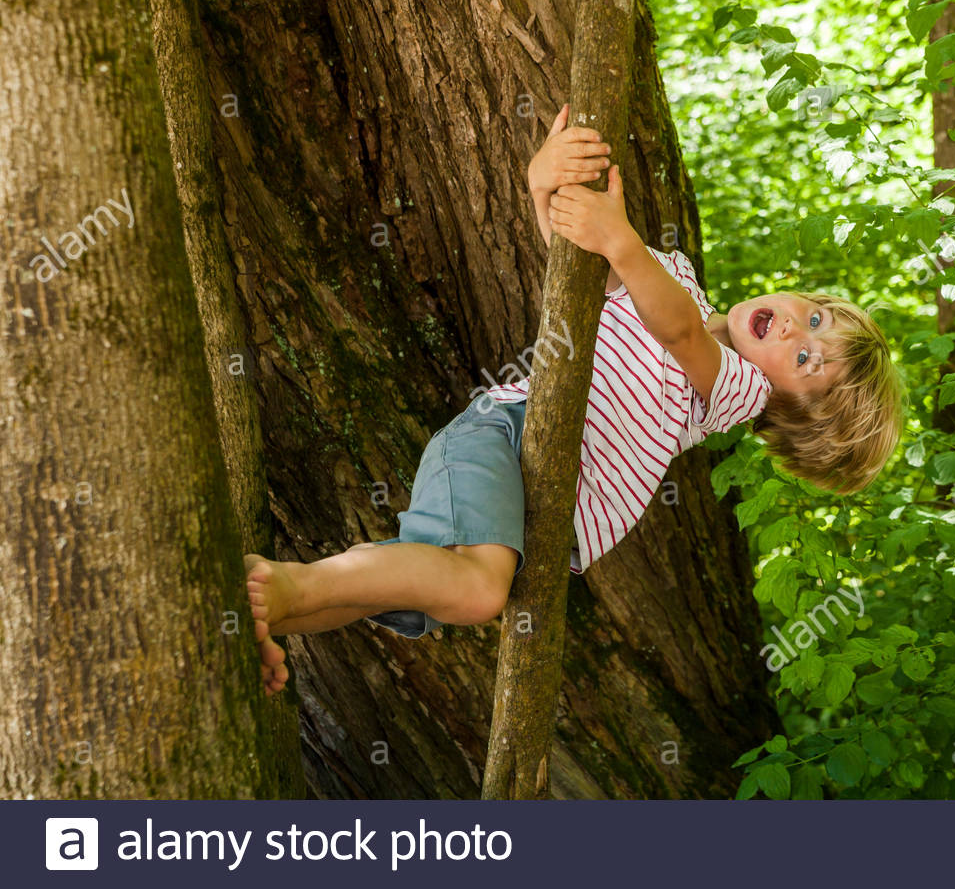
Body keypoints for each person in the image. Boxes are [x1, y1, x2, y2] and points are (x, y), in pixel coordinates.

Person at [245, 103, 904, 695]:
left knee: (427, 584)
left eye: (805, 362)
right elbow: (575, 268)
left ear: (783, 405)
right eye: (814, 319)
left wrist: (619, 237)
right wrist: (545, 183)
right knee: (474, 592)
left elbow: (676, 330)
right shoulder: (671, 276)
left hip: (536, 507)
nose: (795, 331)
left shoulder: (733, 392)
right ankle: (284, 587)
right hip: (507, 433)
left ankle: (276, 606)